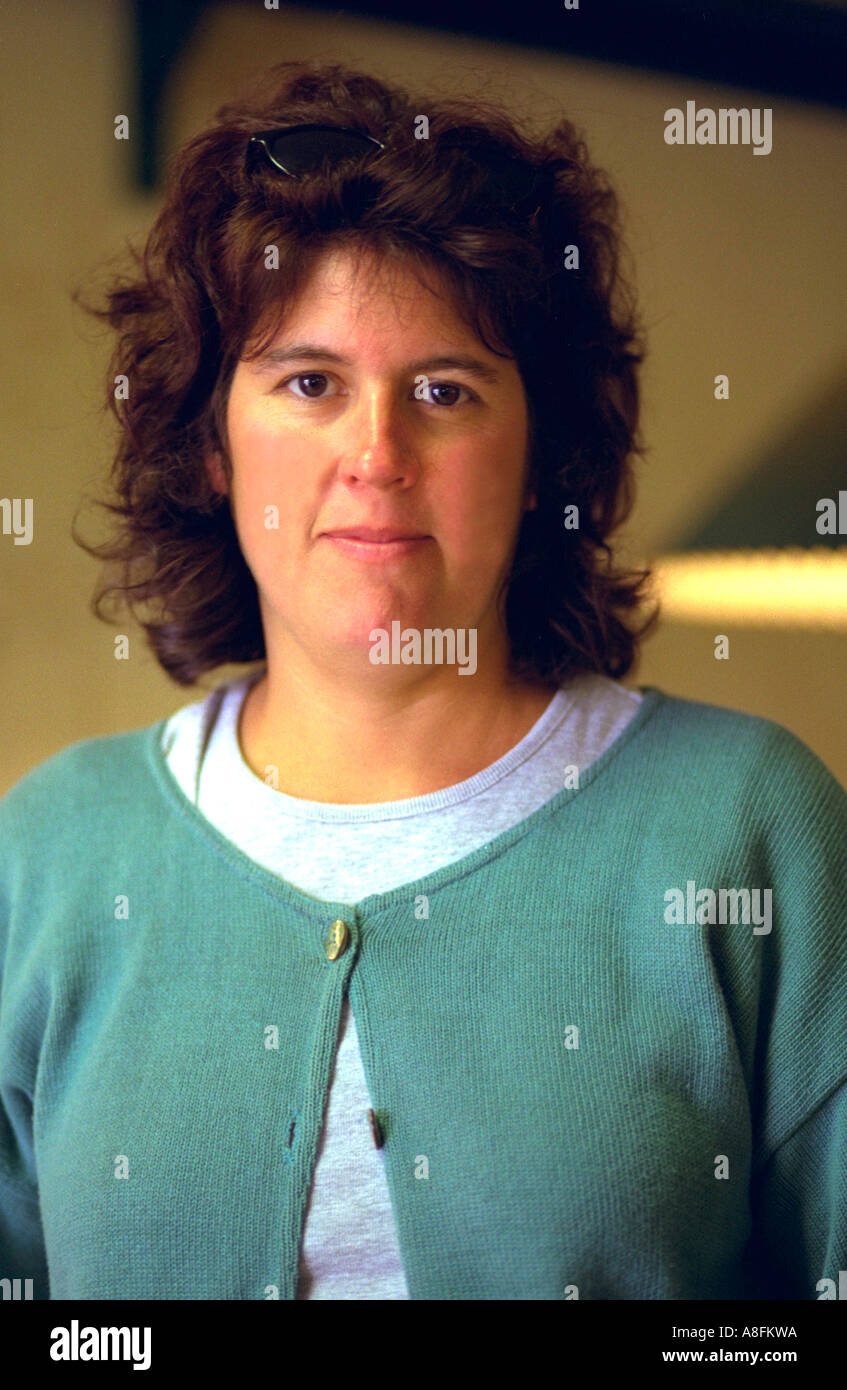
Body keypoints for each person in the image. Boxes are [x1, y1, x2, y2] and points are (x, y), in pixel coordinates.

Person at [1, 60, 845, 1302]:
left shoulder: (749, 828)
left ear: (537, 449)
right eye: (309, 382)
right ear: (212, 444)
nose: (376, 454)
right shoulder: (47, 854)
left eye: (444, 390)